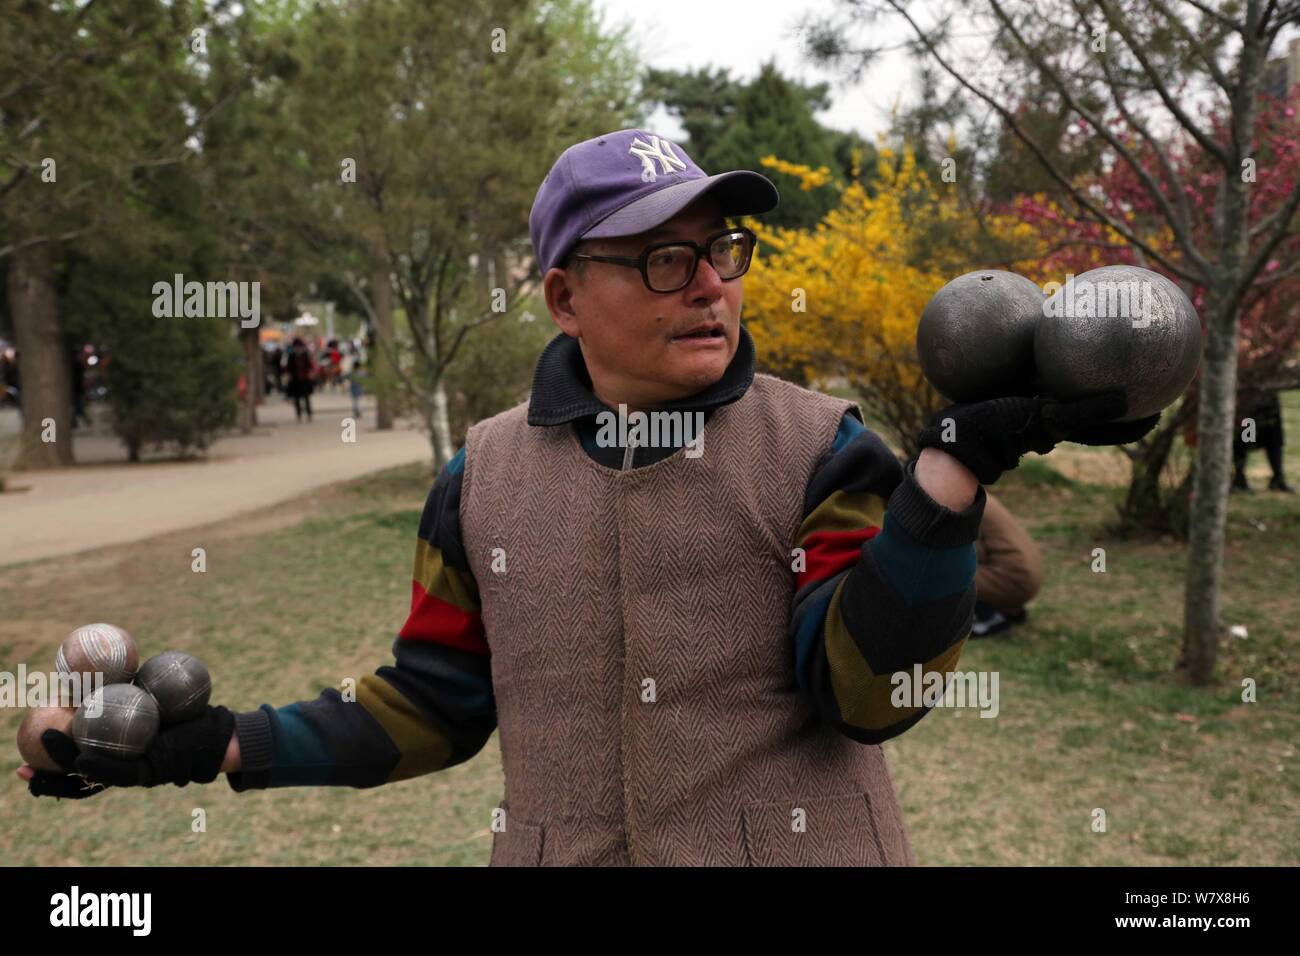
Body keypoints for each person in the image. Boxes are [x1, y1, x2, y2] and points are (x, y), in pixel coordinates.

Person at [21, 128, 1158, 866]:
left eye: (722, 250)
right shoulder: (481, 478)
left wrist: (946, 478)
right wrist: (207, 744)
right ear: (566, 295)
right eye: (665, 260)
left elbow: (867, 695)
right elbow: (431, 701)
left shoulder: (827, 451)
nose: (711, 284)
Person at [971, 492, 1043, 637]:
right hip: (1030, 576)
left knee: (945, 573)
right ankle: (1008, 609)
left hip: (1015, 580)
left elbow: (968, 556)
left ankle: (990, 619)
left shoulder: (964, 502)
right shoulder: (979, 496)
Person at [1232, 388, 1293, 493]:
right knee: (1245, 437)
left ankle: (1278, 478)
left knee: (1273, 437)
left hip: (1267, 394)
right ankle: (1239, 479)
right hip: (1247, 395)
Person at [284, 337, 316, 422]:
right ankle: (299, 415)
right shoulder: (291, 356)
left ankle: (309, 414)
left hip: (305, 380)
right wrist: (289, 375)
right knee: (297, 399)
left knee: (307, 398)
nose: (298, 349)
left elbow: (310, 366)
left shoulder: (305, 355)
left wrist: (310, 373)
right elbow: (288, 368)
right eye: (296, 347)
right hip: (295, 381)